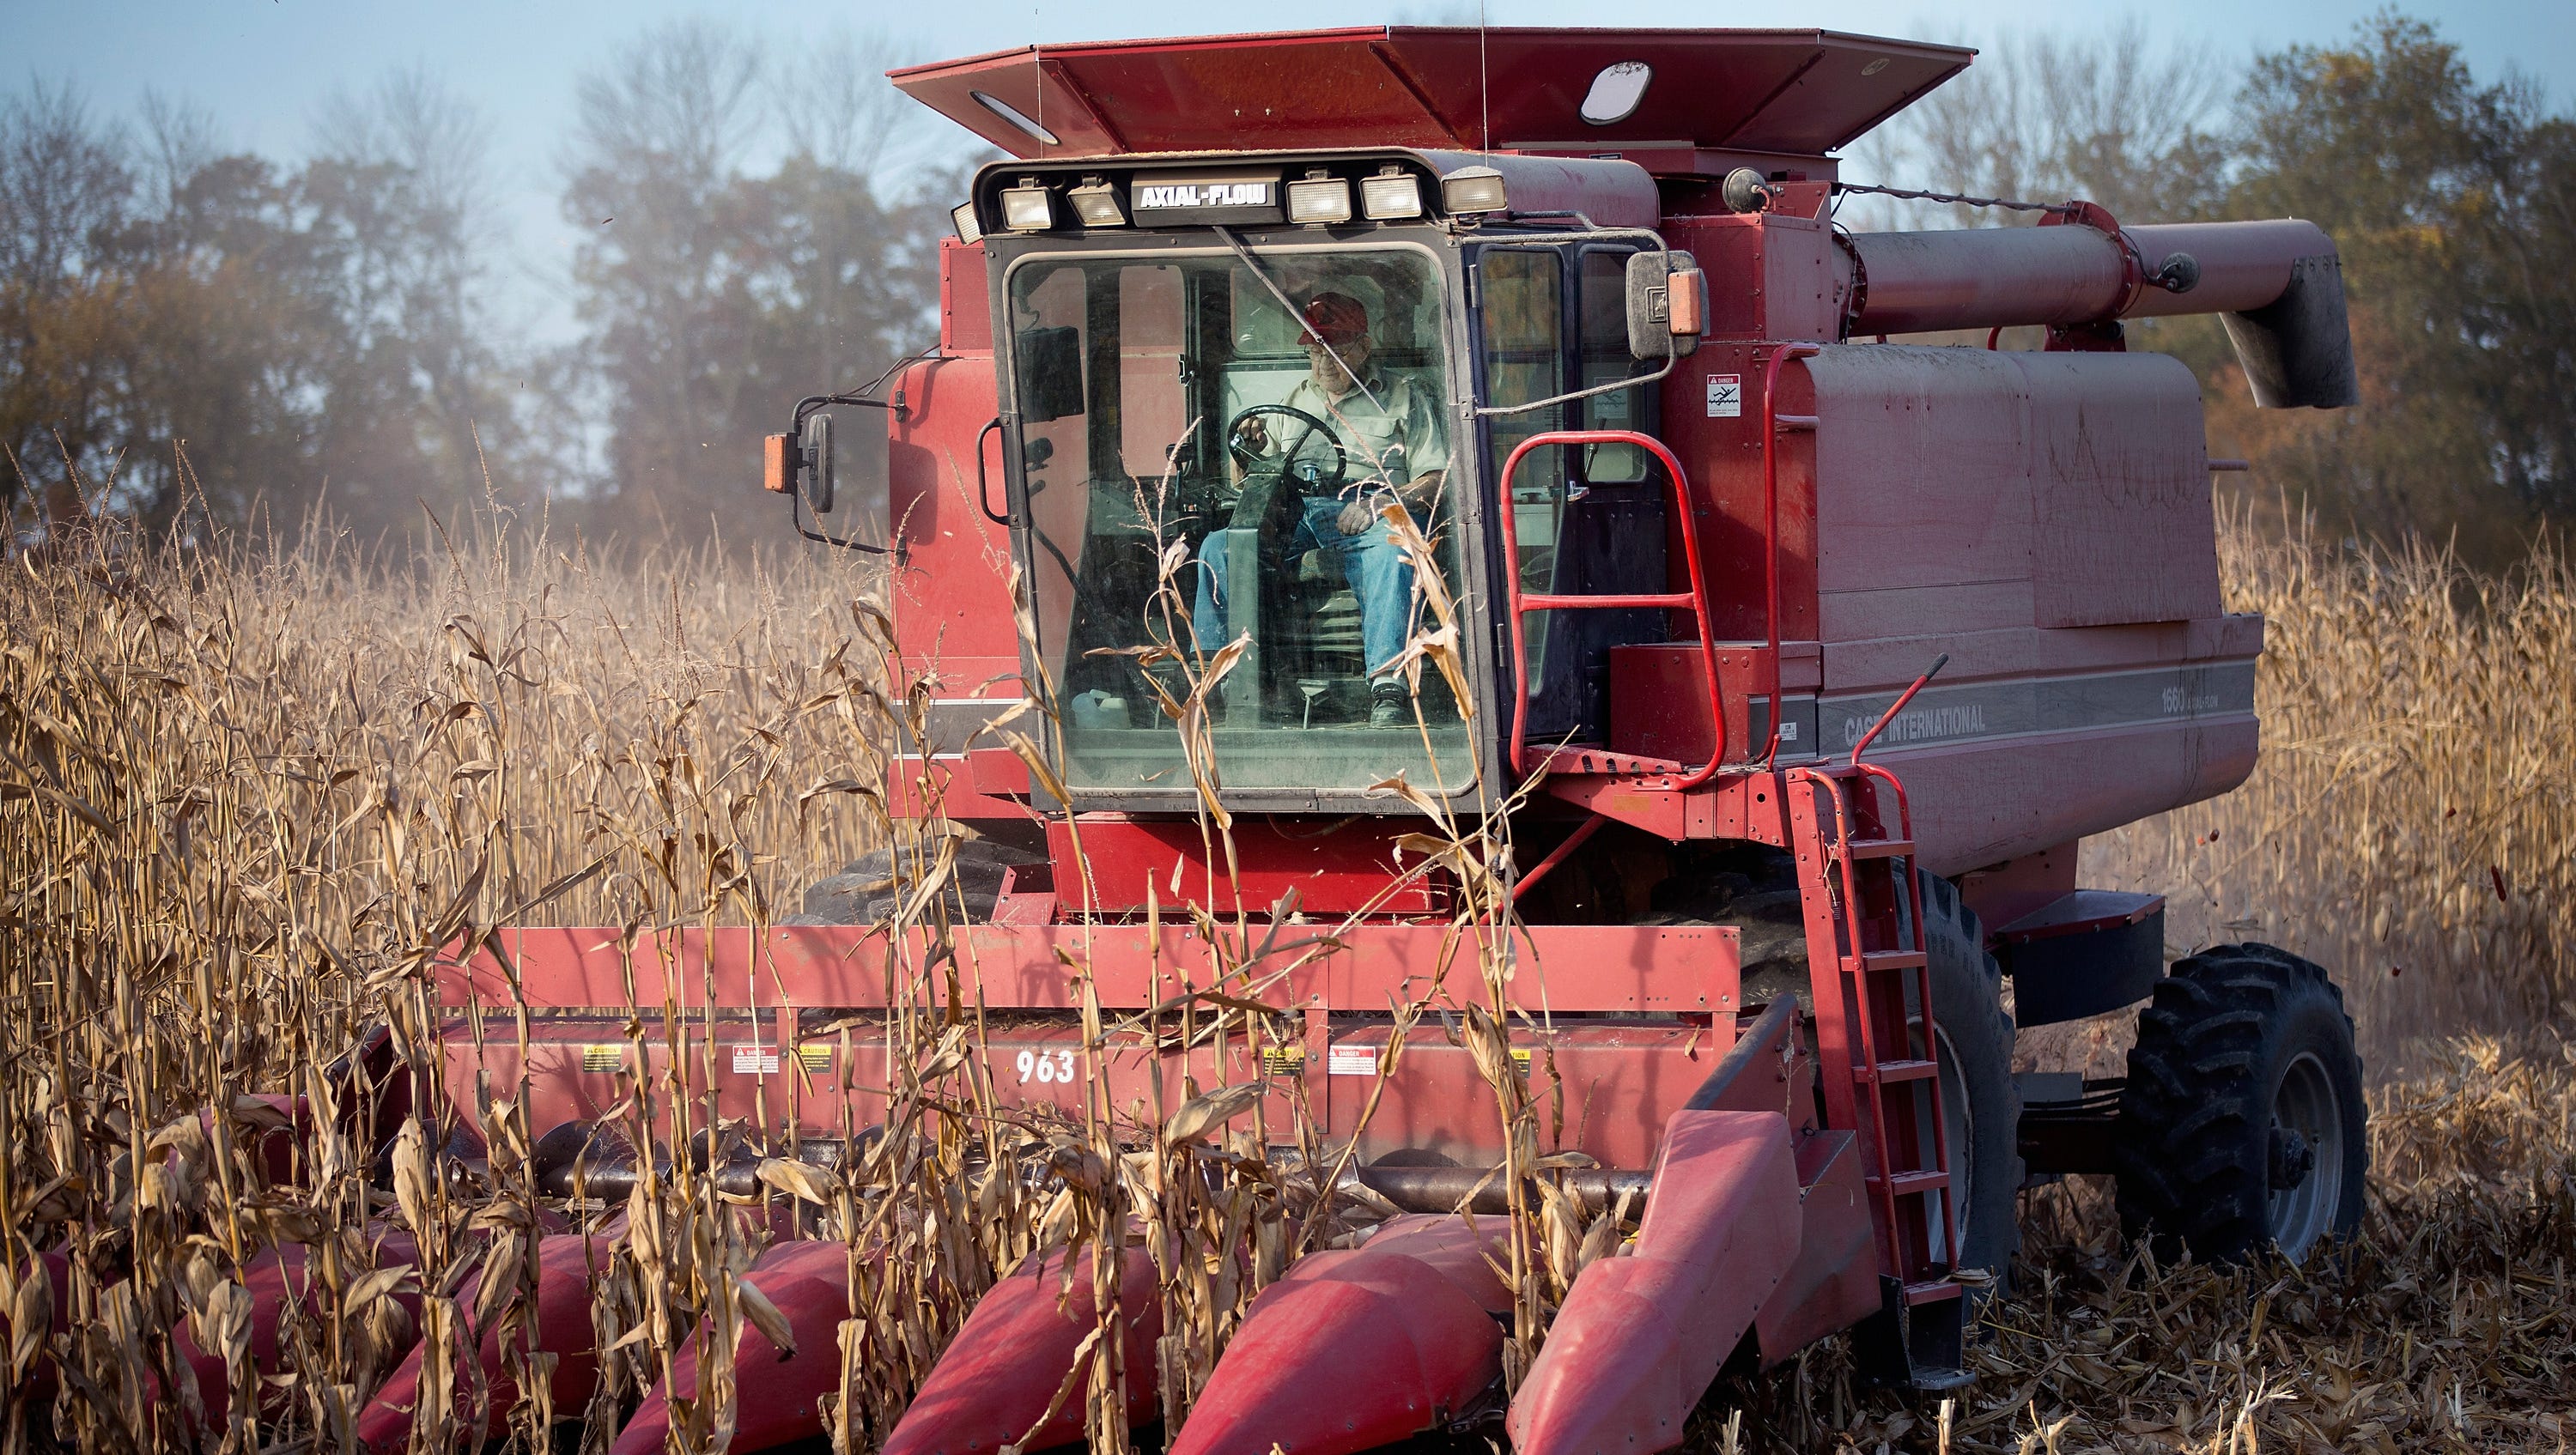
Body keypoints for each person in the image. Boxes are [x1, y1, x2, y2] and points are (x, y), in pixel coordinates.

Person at [1192, 291, 1449, 728]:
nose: (1322, 362)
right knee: (1223, 545)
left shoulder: (1404, 398)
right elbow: (1249, 483)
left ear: (1364, 347)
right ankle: (1223, 677)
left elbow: (1436, 478)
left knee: (1397, 547)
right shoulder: (1294, 398)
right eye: (1313, 350)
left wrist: (1382, 502)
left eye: (1334, 349)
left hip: (1370, 507)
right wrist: (1248, 452)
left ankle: (1388, 684)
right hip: (1300, 508)